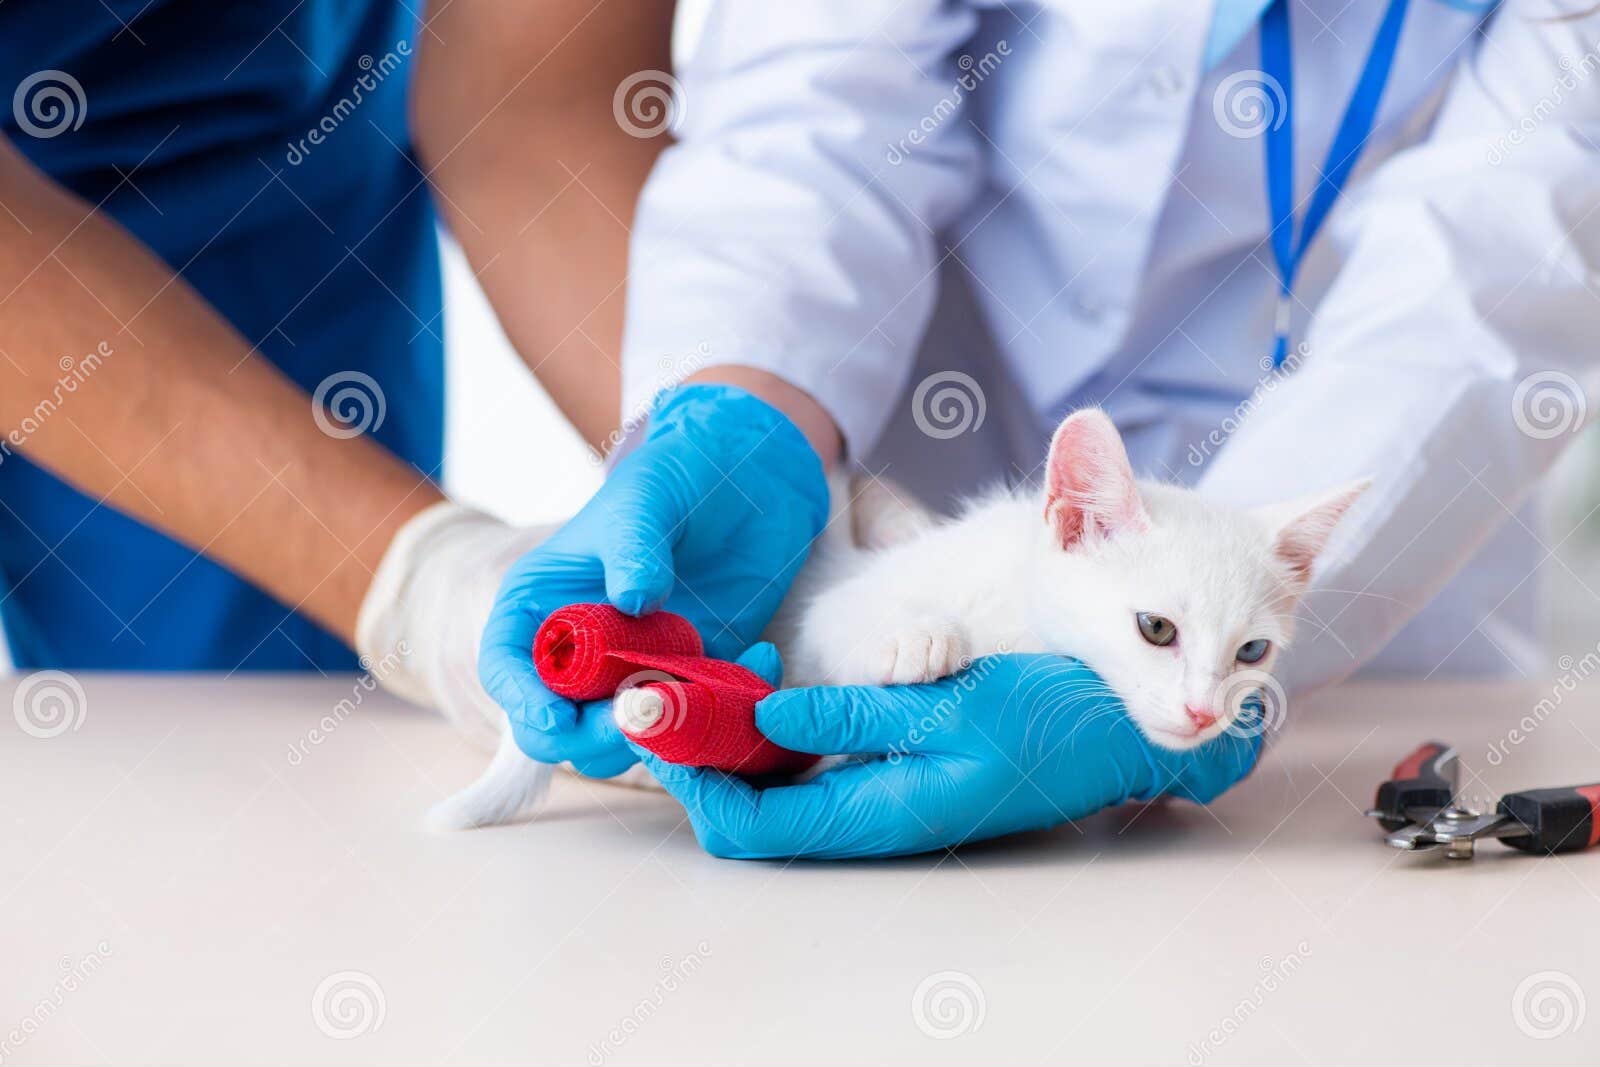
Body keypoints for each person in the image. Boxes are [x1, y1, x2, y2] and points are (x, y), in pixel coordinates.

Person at [482, 0, 1600, 856]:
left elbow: (1492, 257)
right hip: (932, 451)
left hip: (1373, 646)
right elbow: (816, 108)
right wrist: (740, 403)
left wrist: (1237, 665)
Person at [0, 1, 675, 746]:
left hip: (301, 158)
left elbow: (538, 108)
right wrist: (425, 581)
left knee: (310, 730)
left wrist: (713, 453)